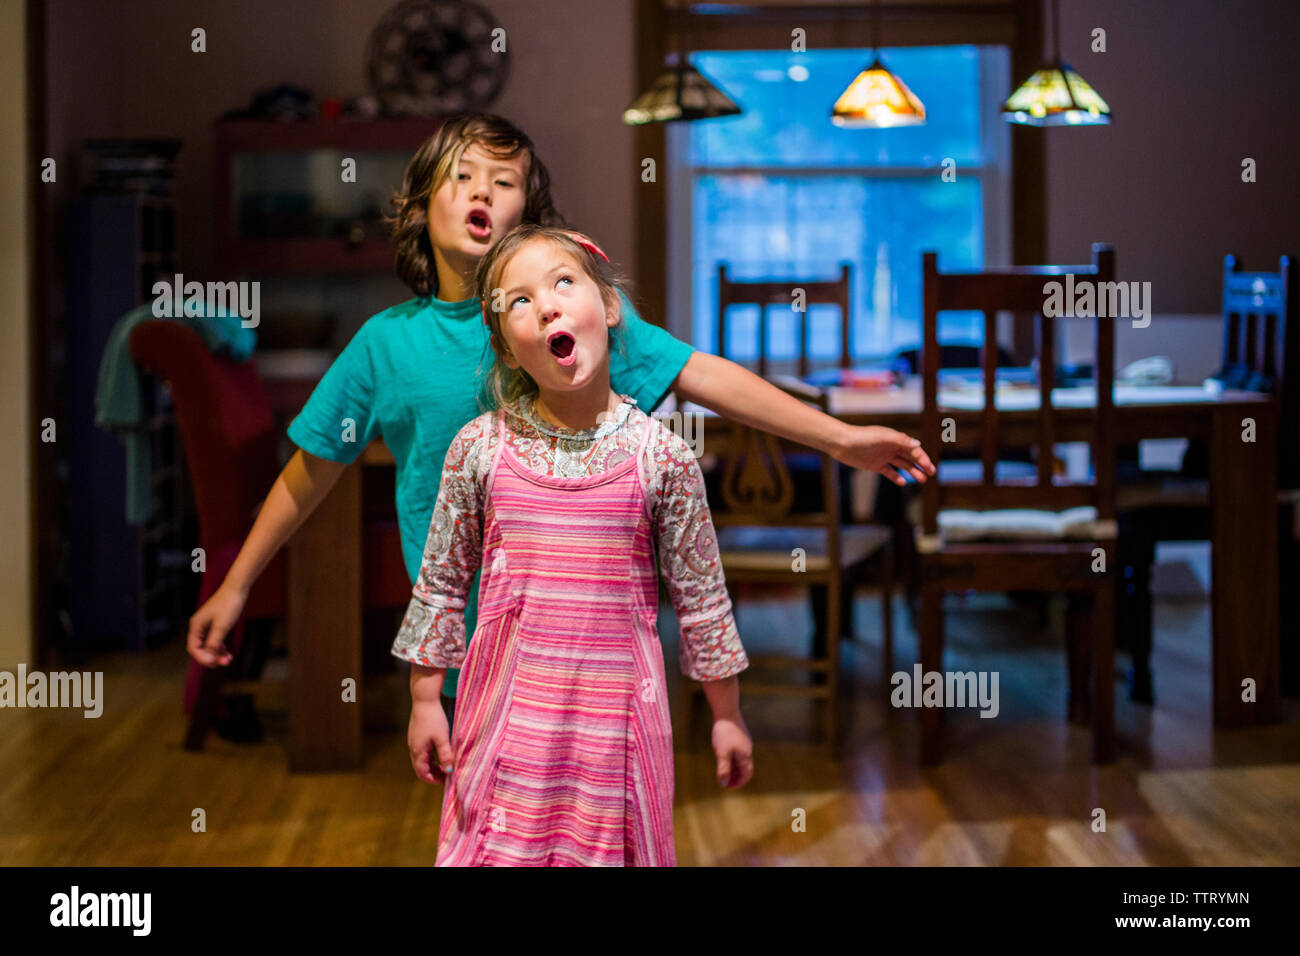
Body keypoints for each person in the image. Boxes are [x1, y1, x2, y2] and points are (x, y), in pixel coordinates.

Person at [185, 112, 935, 717]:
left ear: (528, 213)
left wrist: (841, 439)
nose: (482, 191)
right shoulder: (385, 345)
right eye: (462, 177)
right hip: (471, 657)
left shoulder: (574, 317)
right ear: (419, 207)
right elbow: (308, 473)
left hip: (596, 655)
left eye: (503, 181)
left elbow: (701, 374)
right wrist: (237, 584)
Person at [395, 224, 750, 865]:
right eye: (520, 301)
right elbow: (442, 583)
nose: (548, 304)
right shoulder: (479, 448)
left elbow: (702, 599)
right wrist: (425, 699)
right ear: (505, 347)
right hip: (504, 728)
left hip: (615, 734)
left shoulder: (662, 455)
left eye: (563, 282)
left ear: (609, 306)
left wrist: (725, 713)